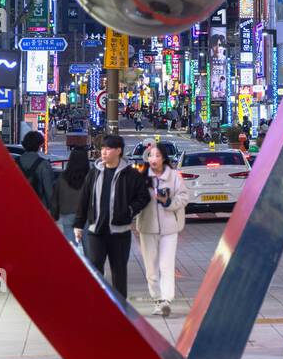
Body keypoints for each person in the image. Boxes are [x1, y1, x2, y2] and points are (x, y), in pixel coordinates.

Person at [74, 134, 150, 299]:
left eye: (108, 148)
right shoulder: (94, 173)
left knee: (119, 272)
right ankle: (98, 304)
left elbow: (144, 197)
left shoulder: (130, 174)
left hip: (120, 233)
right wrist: (78, 225)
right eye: (102, 148)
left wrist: (129, 210)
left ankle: (120, 307)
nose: (103, 152)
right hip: (96, 231)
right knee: (95, 269)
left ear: (118, 151)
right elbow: (84, 198)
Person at [135, 144, 188, 316]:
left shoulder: (173, 176)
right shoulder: (141, 177)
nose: (154, 159)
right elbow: (133, 198)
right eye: (151, 155)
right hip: (147, 227)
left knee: (166, 265)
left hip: (170, 228)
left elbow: (184, 197)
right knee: (151, 268)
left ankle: (166, 300)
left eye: (157, 155)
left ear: (163, 158)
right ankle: (157, 299)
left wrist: (168, 202)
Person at [51, 146, 90, 242]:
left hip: (67, 213)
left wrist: (54, 214)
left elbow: (56, 196)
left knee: (71, 245)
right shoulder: (91, 176)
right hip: (87, 215)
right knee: (90, 250)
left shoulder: (63, 177)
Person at [16, 131, 55, 212]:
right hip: (38, 208)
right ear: (39, 145)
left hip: (18, 207)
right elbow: (49, 192)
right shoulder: (43, 164)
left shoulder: (14, 162)